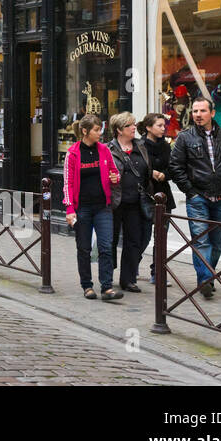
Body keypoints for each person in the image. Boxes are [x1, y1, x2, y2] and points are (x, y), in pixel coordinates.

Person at [169, 94, 221, 298]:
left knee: (217, 243)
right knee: (201, 240)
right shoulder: (185, 137)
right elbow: (176, 167)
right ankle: (205, 280)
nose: (198, 115)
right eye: (195, 111)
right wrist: (190, 192)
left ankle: (207, 275)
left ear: (212, 113)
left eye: (202, 111)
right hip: (198, 197)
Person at [63, 114, 123, 301]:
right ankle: (87, 286)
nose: (100, 133)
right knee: (84, 248)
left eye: (100, 129)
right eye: (96, 130)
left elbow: (115, 172)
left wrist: (115, 178)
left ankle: (107, 287)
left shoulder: (104, 150)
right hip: (82, 208)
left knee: (106, 246)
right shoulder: (73, 153)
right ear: (84, 131)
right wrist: (70, 209)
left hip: (102, 207)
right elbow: (67, 183)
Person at [109, 112, 153, 294]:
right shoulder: (107, 149)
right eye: (129, 125)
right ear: (119, 130)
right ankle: (106, 276)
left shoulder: (141, 147)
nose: (134, 128)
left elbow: (146, 172)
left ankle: (128, 279)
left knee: (134, 240)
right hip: (114, 202)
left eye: (134, 124)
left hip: (136, 201)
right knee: (109, 241)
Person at [138, 113, 175, 283]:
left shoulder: (166, 146)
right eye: (159, 125)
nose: (163, 128)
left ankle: (157, 273)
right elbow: (135, 169)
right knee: (143, 236)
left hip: (163, 195)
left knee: (161, 237)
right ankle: (132, 264)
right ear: (148, 127)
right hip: (146, 195)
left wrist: (164, 175)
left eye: (163, 125)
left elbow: (173, 167)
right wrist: (150, 173)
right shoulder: (139, 145)